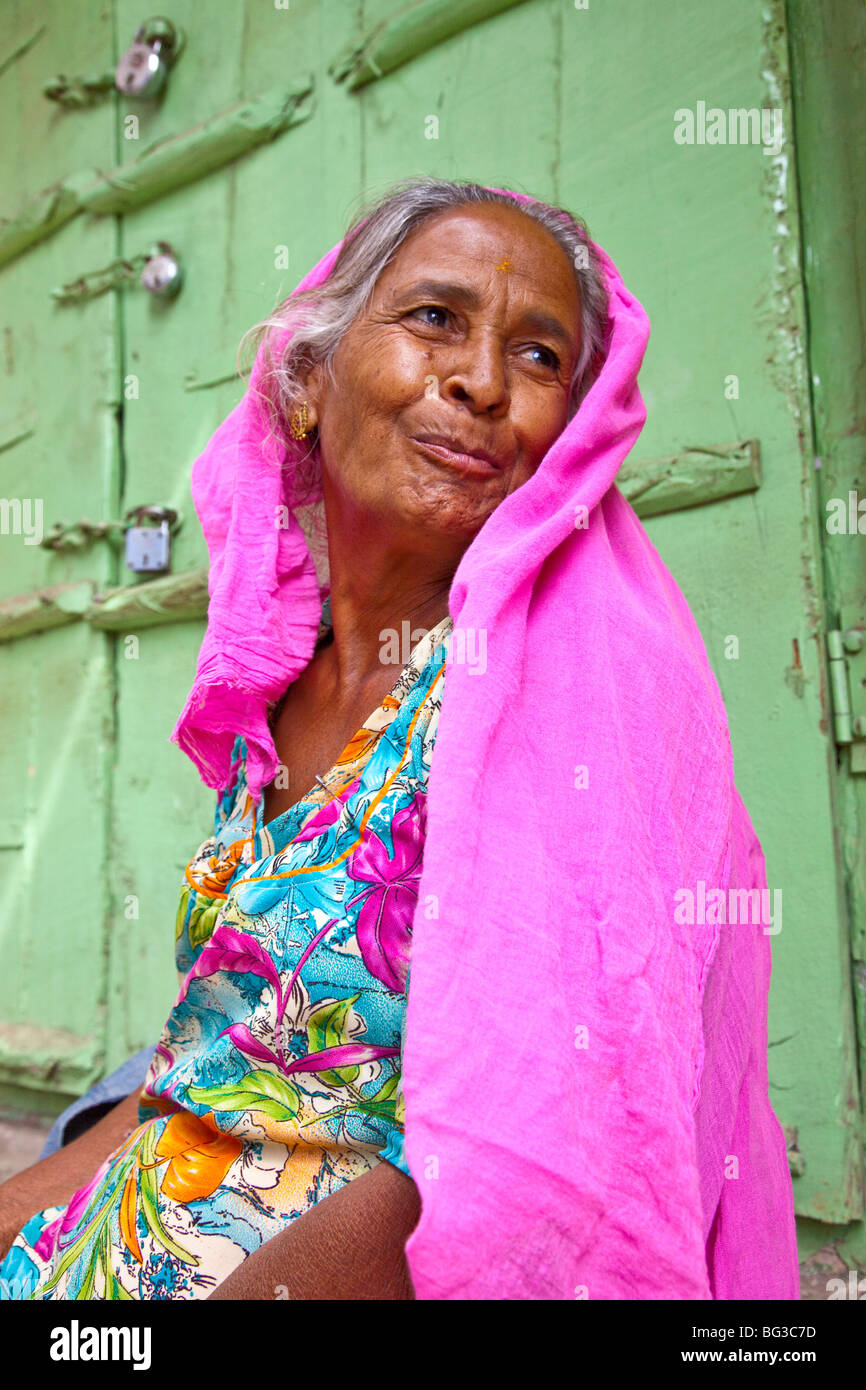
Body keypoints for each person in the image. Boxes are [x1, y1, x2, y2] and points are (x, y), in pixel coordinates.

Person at [0, 178, 798, 1300]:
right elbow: (210, 1072)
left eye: (537, 358)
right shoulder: (272, 697)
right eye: (435, 319)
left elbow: (539, 1154)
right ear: (305, 383)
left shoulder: (569, 689)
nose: (478, 382)